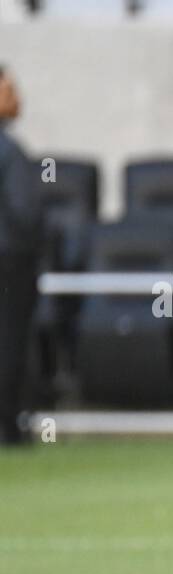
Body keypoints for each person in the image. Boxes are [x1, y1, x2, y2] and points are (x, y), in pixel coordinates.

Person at [0, 65, 42, 446]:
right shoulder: (10, 153)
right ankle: (6, 426)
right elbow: (25, 214)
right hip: (10, 260)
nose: (18, 98)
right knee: (9, 340)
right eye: (9, 89)